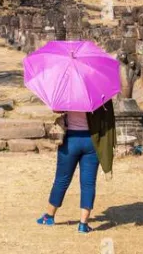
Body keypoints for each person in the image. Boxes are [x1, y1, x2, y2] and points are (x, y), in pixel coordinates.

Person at [37, 100, 116, 233]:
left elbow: (56, 109)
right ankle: (83, 224)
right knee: (88, 183)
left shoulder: (69, 91)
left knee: (61, 180)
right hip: (92, 141)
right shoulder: (100, 95)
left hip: (71, 141)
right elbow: (107, 120)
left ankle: (49, 216)